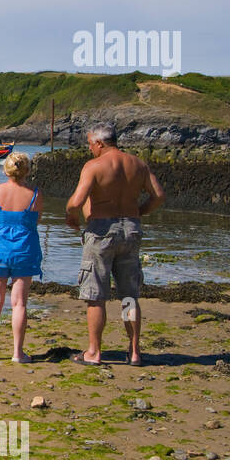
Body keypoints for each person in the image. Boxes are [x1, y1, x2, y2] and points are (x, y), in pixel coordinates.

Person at [65, 122, 166, 366]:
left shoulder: (94, 166)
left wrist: (71, 218)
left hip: (101, 230)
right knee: (129, 295)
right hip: (130, 229)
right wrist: (138, 213)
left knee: (95, 295)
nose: (89, 149)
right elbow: (159, 196)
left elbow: (76, 202)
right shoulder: (138, 164)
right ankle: (134, 352)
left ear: (99, 143)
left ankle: (94, 352)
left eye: (90, 144)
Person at [0, 152, 43, 362]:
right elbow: (36, 221)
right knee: (20, 304)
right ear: (27, 171)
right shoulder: (35, 194)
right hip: (24, 251)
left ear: (6, 169)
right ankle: (17, 353)